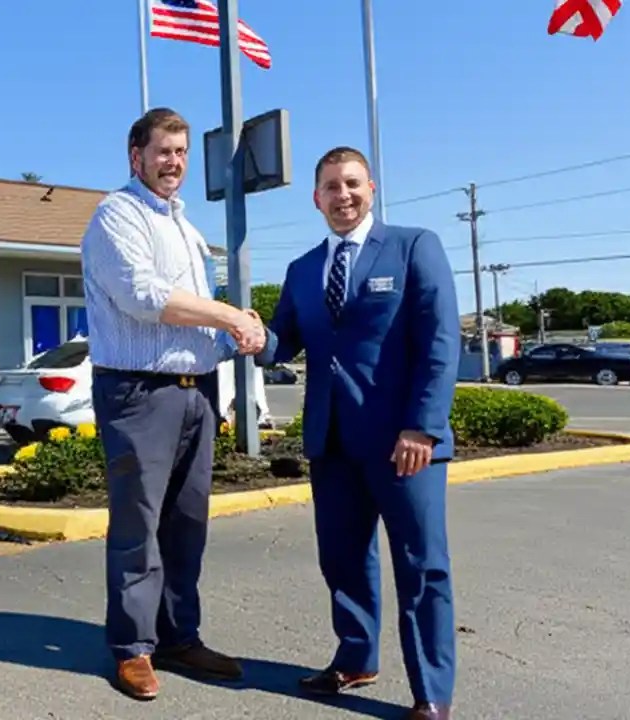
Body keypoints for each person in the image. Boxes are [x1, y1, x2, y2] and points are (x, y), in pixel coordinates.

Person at [254, 147, 461, 720]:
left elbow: (441, 344)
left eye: (351, 184)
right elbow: (282, 345)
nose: (342, 196)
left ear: (371, 187)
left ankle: (431, 692)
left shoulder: (414, 246)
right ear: (315, 197)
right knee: (342, 560)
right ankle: (355, 658)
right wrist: (243, 331)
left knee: (421, 567)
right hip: (333, 443)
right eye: (330, 187)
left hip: (404, 444)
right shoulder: (301, 270)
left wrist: (422, 425)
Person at [80, 107, 266, 701]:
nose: (175, 162)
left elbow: (191, 322)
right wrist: (227, 314)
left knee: (188, 526)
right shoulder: (117, 215)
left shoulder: (186, 228)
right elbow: (143, 297)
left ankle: (180, 636)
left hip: (195, 395)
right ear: (136, 156)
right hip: (139, 394)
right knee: (139, 525)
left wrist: (240, 332)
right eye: (164, 151)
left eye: (182, 152)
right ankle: (133, 647)